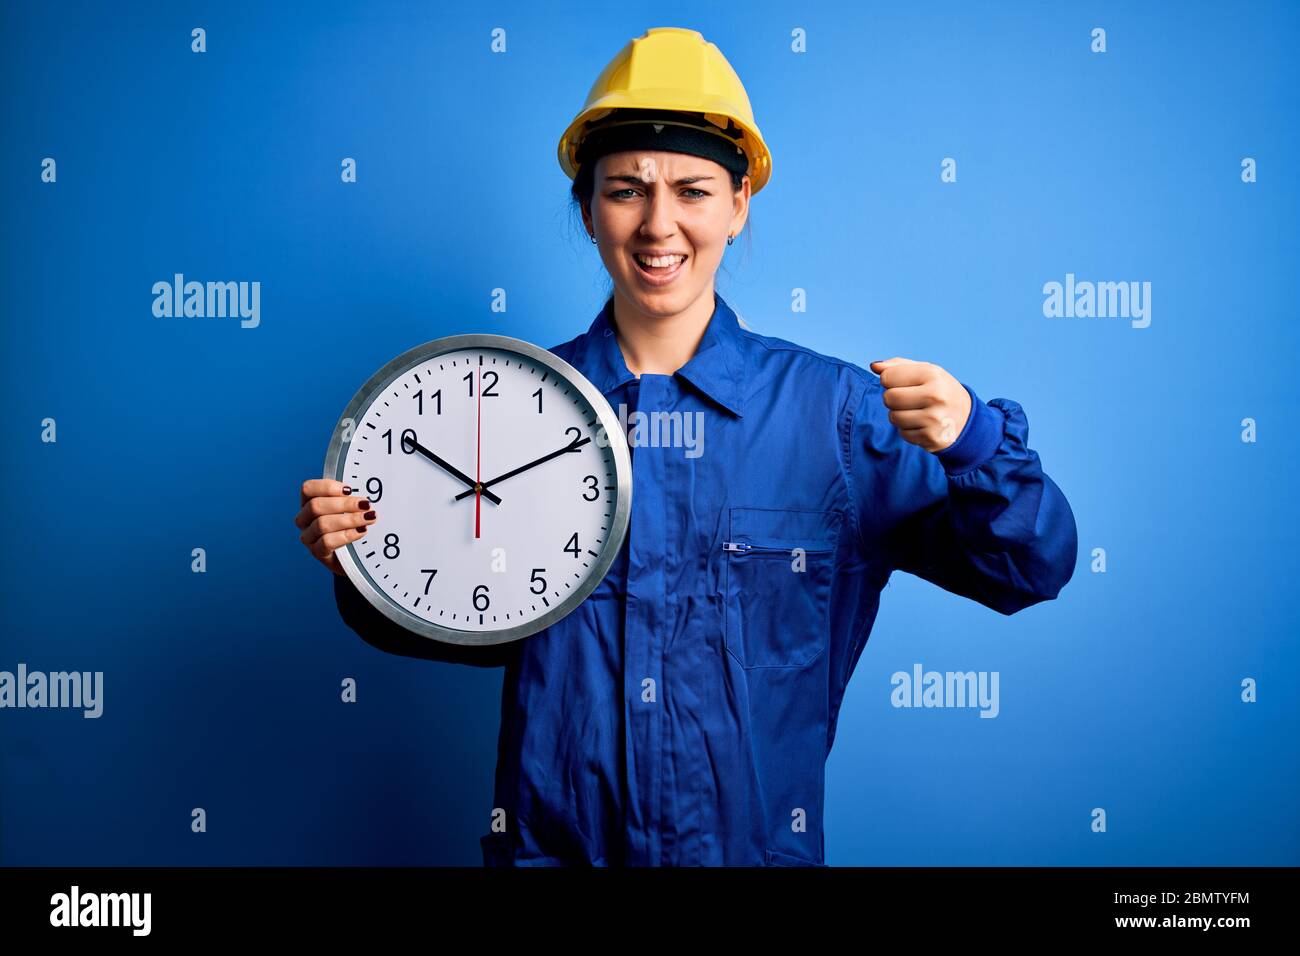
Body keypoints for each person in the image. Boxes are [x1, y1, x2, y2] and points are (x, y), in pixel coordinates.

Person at [294, 27, 1078, 866]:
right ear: (589, 207)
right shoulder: (508, 411)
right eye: (626, 190)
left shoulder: (838, 418)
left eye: (693, 190)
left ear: (739, 206)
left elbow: (1027, 570)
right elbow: (470, 623)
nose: (658, 224)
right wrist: (365, 562)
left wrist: (975, 443)